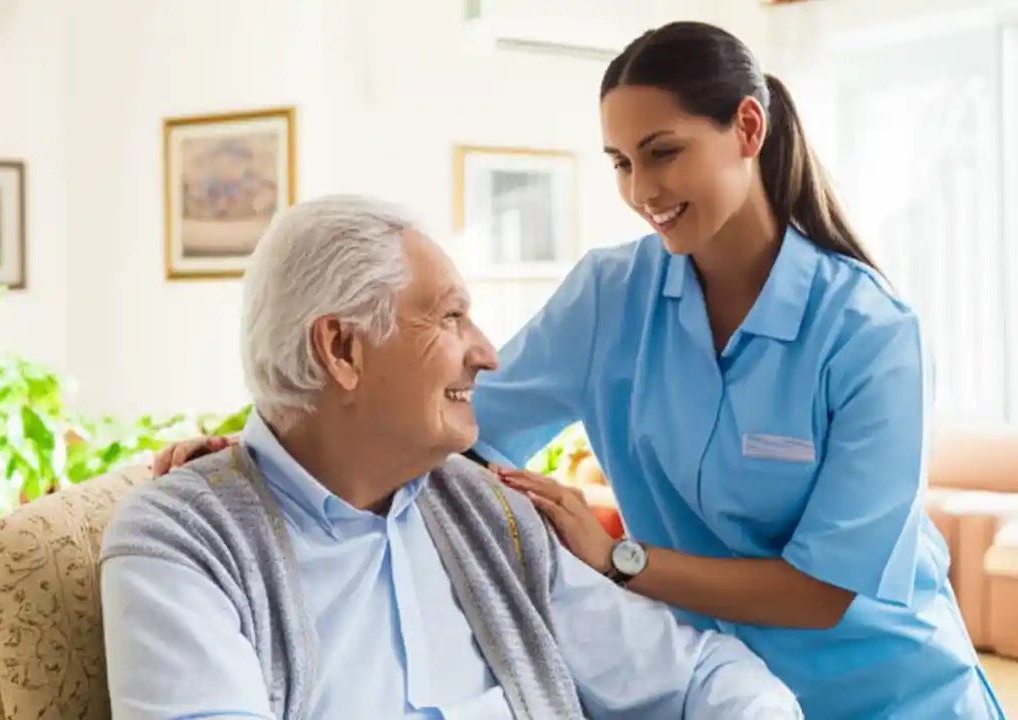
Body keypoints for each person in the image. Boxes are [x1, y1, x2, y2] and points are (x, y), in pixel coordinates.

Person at [150, 21, 1006, 720]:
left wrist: (620, 560)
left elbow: (824, 593)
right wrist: (275, 447)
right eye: (622, 163)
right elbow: (456, 417)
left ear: (748, 128)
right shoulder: (612, 294)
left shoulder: (870, 332)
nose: (641, 190)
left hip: (889, 696)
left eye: (663, 152)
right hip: (712, 685)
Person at [105, 194, 803, 719]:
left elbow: (699, 677)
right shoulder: (183, 540)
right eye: (449, 317)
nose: (488, 355)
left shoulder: (486, 514)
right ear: (342, 350)